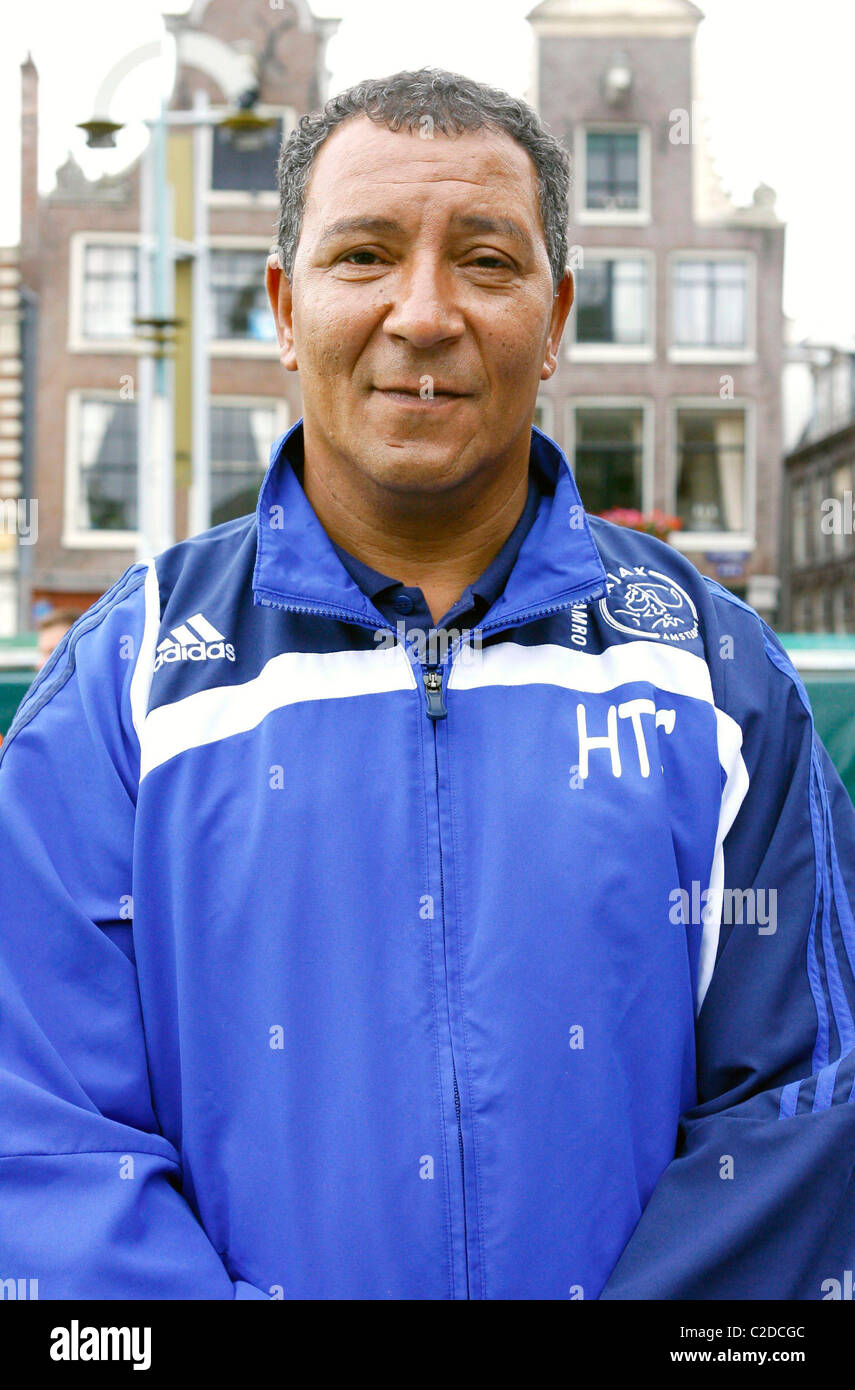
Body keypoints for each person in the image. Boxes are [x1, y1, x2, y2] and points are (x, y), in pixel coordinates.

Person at [1, 68, 853, 1302]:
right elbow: (41, 1137)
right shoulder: (123, 686)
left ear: (556, 317)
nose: (424, 311)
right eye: (364, 255)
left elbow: (807, 1106)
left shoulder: (717, 678)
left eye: (487, 262)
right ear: (288, 309)